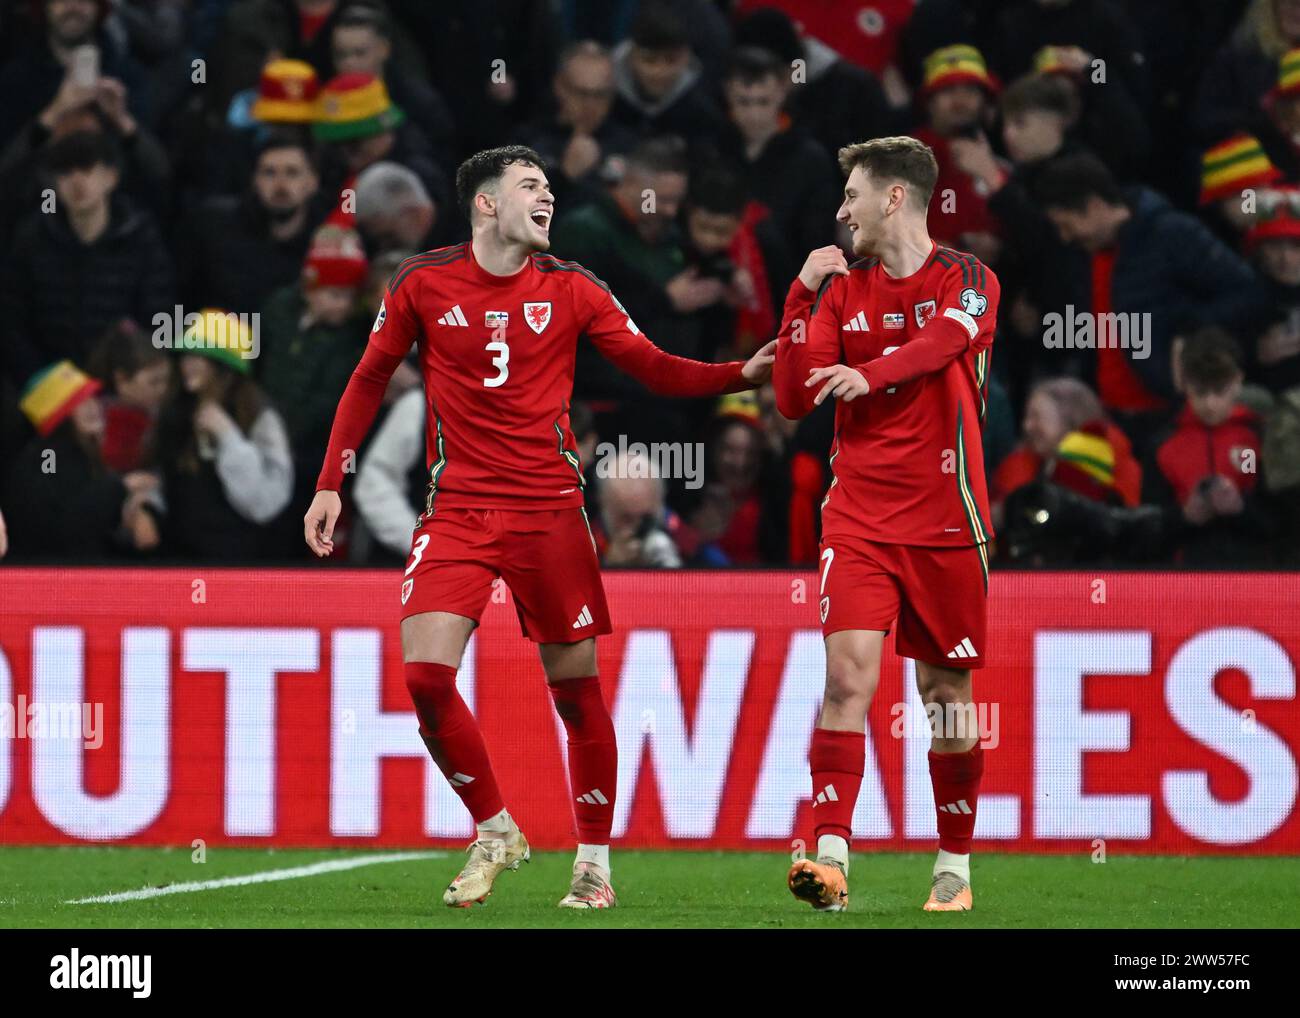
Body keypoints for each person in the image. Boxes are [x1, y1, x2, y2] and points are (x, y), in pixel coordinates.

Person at [302, 145, 776, 909]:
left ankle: (594, 864)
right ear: (487, 203)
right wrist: (331, 483)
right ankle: (494, 828)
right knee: (424, 678)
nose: (547, 196)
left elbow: (652, 366)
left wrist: (737, 375)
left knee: (576, 691)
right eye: (530, 186)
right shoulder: (422, 282)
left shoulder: (574, 288)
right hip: (456, 510)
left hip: (550, 510)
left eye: (549, 186)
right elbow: (369, 377)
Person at [773, 136, 999, 913]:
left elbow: (944, 343)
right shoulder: (841, 290)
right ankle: (830, 854)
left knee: (944, 695)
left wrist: (870, 371)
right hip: (860, 517)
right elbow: (795, 400)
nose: (842, 213)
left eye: (852, 197)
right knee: (846, 680)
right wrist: (799, 297)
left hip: (946, 519)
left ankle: (954, 866)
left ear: (894, 198)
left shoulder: (970, 280)